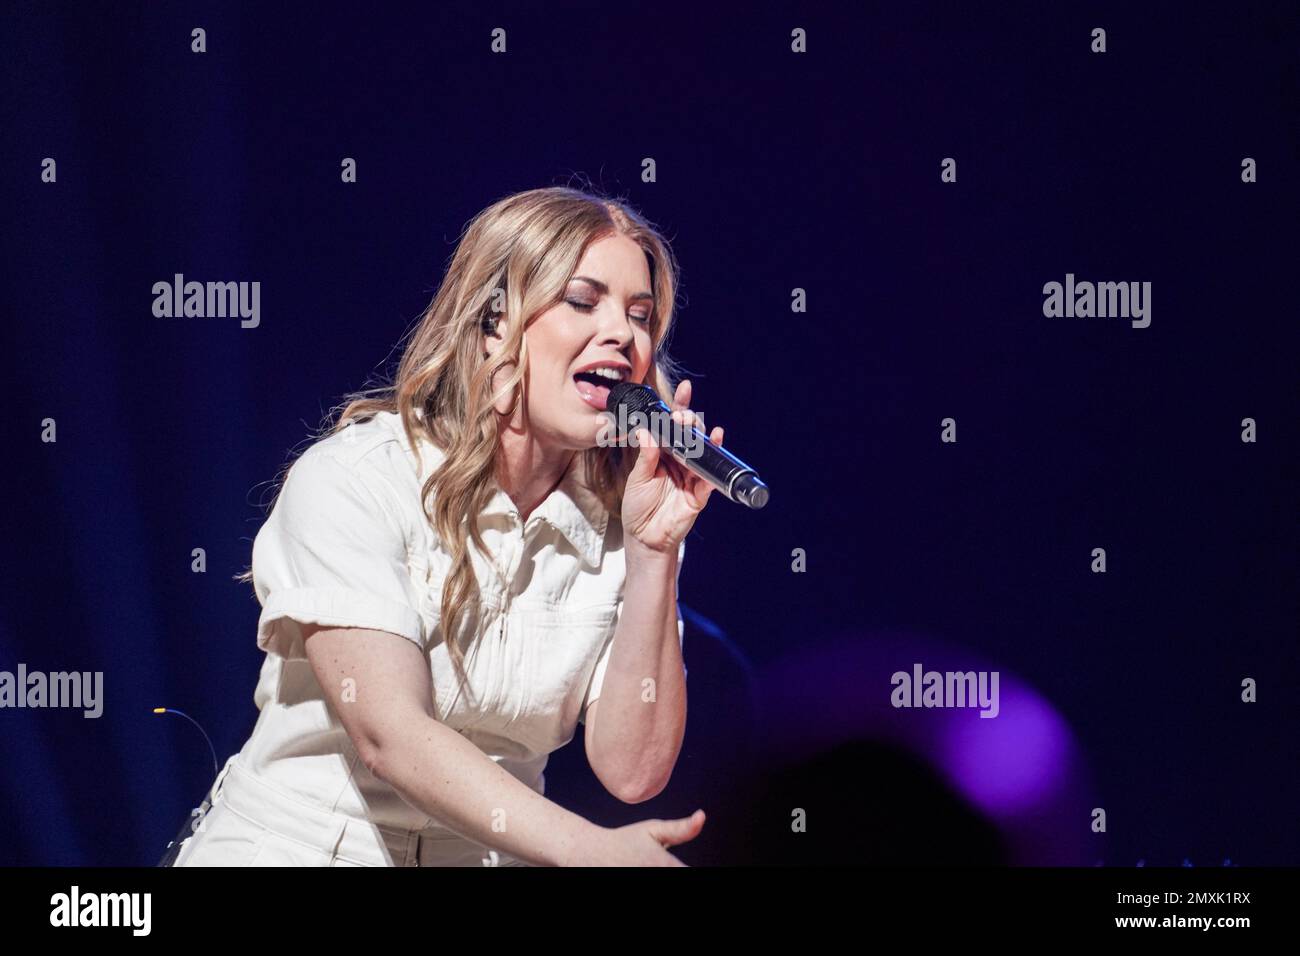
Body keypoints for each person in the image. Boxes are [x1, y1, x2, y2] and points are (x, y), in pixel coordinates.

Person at [169, 186, 724, 866]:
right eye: (583, 301)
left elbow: (632, 774)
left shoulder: (619, 521)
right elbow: (390, 734)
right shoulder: (360, 477)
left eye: (641, 315)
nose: (623, 334)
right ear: (495, 323)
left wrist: (652, 556)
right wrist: (589, 851)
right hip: (301, 847)